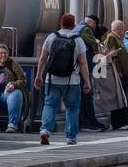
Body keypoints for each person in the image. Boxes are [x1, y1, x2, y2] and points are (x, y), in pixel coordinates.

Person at [34, 13, 91, 146]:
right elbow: (83, 63)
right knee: (72, 108)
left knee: (50, 105)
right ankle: (70, 137)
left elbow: (43, 58)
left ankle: (45, 130)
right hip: (72, 81)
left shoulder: (52, 37)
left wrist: (38, 76)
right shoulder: (78, 40)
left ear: (60, 23)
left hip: (52, 79)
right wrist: (87, 81)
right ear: (74, 24)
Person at [0, 44, 27, 133]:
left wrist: (13, 84)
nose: (3, 55)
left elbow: (23, 80)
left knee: (17, 94)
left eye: (5, 53)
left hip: (6, 93)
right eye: (1, 53)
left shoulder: (13, 64)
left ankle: (12, 125)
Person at [103, 20, 128, 128]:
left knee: (123, 98)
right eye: (122, 28)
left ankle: (123, 121)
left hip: (124, 73)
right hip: (120, 74)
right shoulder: (112, 38)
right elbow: (113, 56)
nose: (123, 30)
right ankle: (118, 122)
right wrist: (119, 71)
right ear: (118, 28)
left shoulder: (117, 38)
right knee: (119, 98)